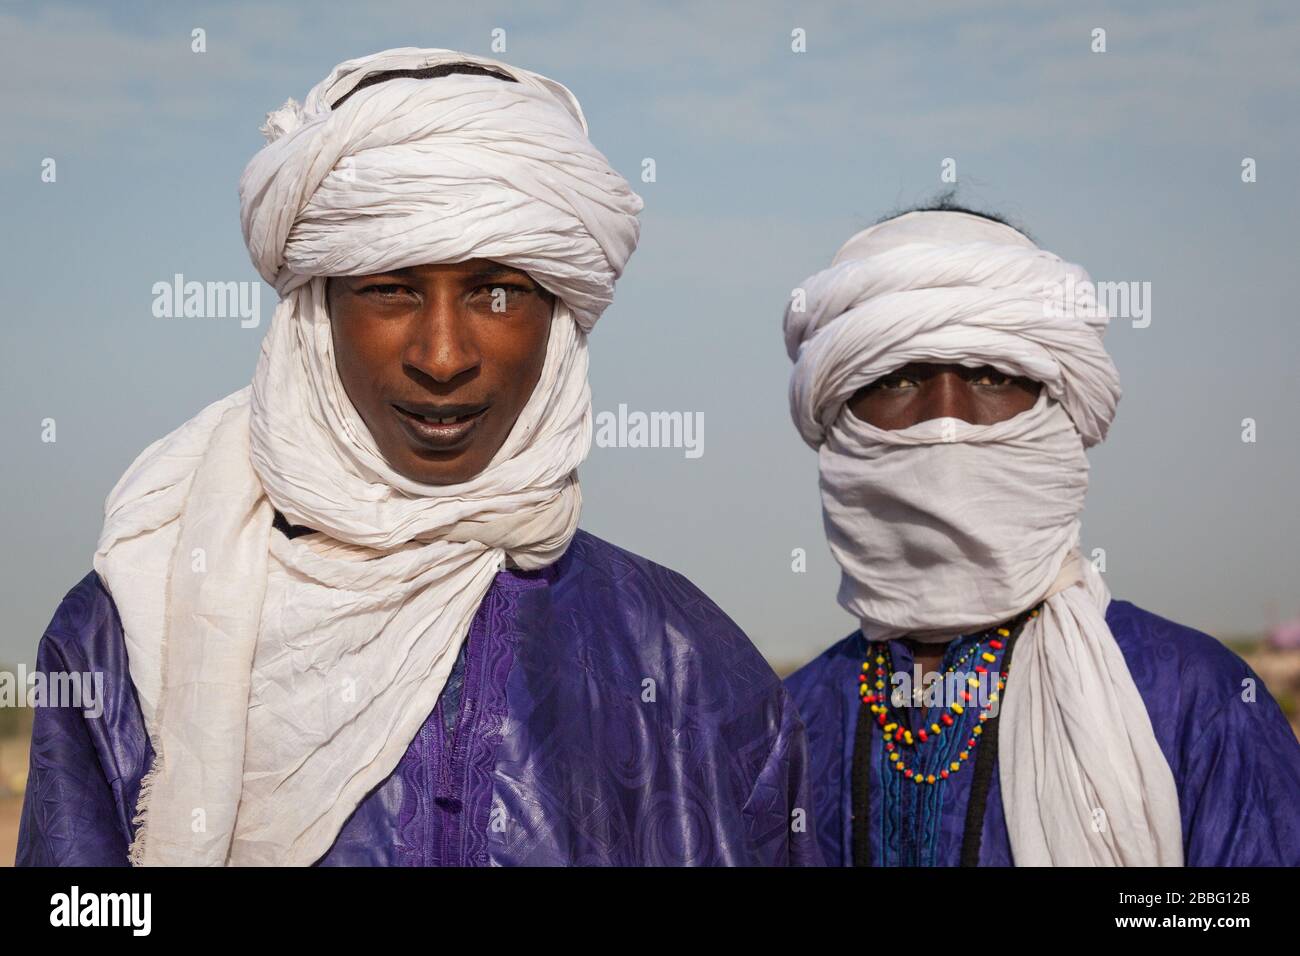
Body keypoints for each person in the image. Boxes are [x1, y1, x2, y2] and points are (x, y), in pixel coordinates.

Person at [17, 47, 818, 867]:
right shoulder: (132, 633)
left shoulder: (682, 662)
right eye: (390, 288)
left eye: (496, 292)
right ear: (317, 315)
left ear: (558, 319)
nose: (442, 356)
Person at [782, 199, 1300, 866]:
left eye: (992, 376)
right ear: (839, 423)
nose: (947, 422)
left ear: (1059, 415)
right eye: (899, 378)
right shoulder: (783, 729)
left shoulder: (1192, 700)